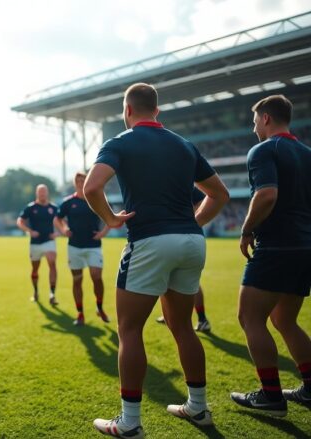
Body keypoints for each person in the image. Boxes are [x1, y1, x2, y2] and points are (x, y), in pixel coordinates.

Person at [84, 83, 229, 437]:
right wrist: (191, 224)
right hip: (192, 241)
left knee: (130, 330)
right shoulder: (184, 145)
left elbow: (91, 187)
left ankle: (130, 423)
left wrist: (111, 219)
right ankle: (197, 407)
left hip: (149, 241)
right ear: (157, 111)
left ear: (127, 110)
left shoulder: (120, 141)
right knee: (182, 326)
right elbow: (219, 195)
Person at [230, 95, 311, 415]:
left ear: (265, 118)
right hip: (305, 247)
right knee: (284, 319)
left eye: (254, 122)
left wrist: (246, 229)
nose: (253, 130)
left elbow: (266, 195)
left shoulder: (264, 150)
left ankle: (271, 396)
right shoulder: (307, 154)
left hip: (277, 246)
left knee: (249, 317)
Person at [54, 172, 110, 326]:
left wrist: (103, 232)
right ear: (75, 183)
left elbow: (109, 216)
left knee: (96, 276)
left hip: (93, 246)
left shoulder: (96, 199)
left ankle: (100, 307)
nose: (80, 183)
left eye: (83, 180)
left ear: (87, 181)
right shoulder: (68, 202)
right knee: (77, 280)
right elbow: (57, 219)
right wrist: (64, 229)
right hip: (74, 246)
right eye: (78, 181)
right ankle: (80, 313)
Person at [156, 188, 211, 332]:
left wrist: (192, 218)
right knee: (168, 278)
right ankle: (170, 313)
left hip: (180, 235)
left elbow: (205, 198)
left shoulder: (182, 181)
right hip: (182, 236)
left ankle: (201, 318)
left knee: (190, 282)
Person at [17, 185, 59, 305]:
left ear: (47, 193)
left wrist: (58, 233)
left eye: (44, 192)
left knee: (52, 263)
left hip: (49, 241)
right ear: (37, 193)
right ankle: (35, 292)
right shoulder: (31, 208)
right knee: (35, 269)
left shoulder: (54, 208)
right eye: (40, 192)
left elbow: (63, 221)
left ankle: (52, 294)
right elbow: (20, 221)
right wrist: (29, 231)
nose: (42, 194)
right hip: (35, 243)